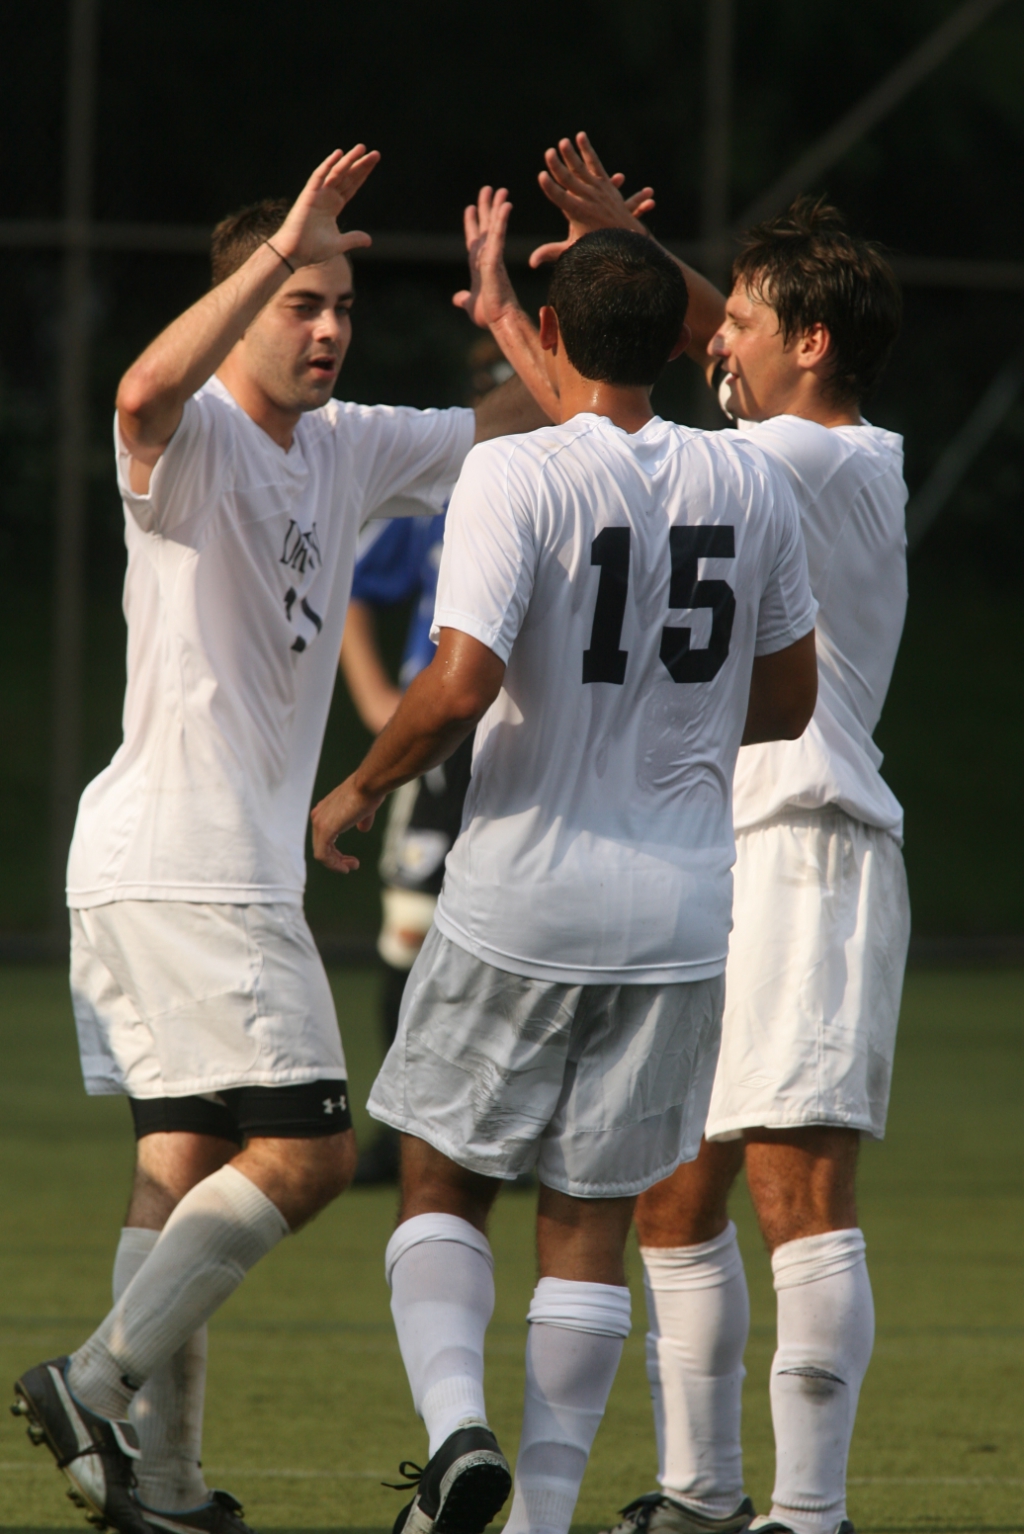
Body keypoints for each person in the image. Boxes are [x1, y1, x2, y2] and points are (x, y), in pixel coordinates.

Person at [12, 146, 546, 1534]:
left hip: (176, 867)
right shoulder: (194, 436)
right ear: (245, 303)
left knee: (182, 1162)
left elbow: (520, 425)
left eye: (340, 308)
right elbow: (137, 394)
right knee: (310, 1155)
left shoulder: (350, 441)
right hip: (190, 867)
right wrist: (273, 246)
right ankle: (92, 1382)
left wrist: (527, 320)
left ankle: (166, 1487)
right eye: (300, 302)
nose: (326, 329)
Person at [310, 225, 819, 1534]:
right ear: (681, 341)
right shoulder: (753, 478)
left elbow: (460, 683)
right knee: (589, 1223)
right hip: (680, 912)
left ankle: (455, 1433)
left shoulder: (515, 470)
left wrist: (358, 786)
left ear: (551, 332)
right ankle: (539, 1517)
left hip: (522, 894)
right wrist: (668, 724)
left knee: (441, 1181)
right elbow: (788, 698)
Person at [486, 135, 910, 1534]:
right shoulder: (772, 449)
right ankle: (702, 1492)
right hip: (722, 858)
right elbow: (662, 404)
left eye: (746, 318)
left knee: (799, 1183)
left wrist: (601, 278)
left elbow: (630, 443)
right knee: (674, 1188)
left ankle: (810, 1513)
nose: (716, 335)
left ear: (813, 343)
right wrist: (600, 276)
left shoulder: (826, 457)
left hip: (812, 845)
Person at [339, 339, 514, 1185]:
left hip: (531, 734)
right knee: (409, 931)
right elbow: (354, 584)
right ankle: (400, 1132)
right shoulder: (445, 483)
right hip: (440, 740)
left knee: (521, 938)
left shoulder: (583, 478)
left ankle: (507, 1135)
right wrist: (380, 700)